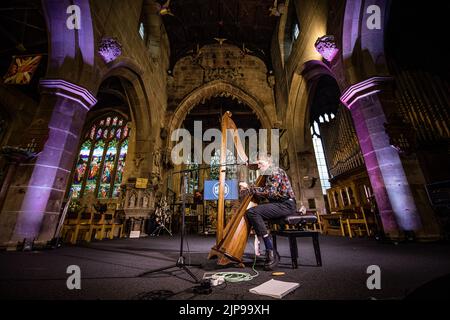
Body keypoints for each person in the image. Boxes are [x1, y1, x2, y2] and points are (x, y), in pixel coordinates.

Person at [239, 154, 297, 271]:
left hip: (286, 205)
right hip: (279, 204)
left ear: (269, 163)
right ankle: (269, 247)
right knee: (255, 213)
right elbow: (268, 193)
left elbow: (270, 192)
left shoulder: (275, 171)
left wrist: (249, 187)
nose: (259, 166)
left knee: (252, 213)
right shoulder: (268, 174)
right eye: (258, 164)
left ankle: (270, 250)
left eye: (261, 163)